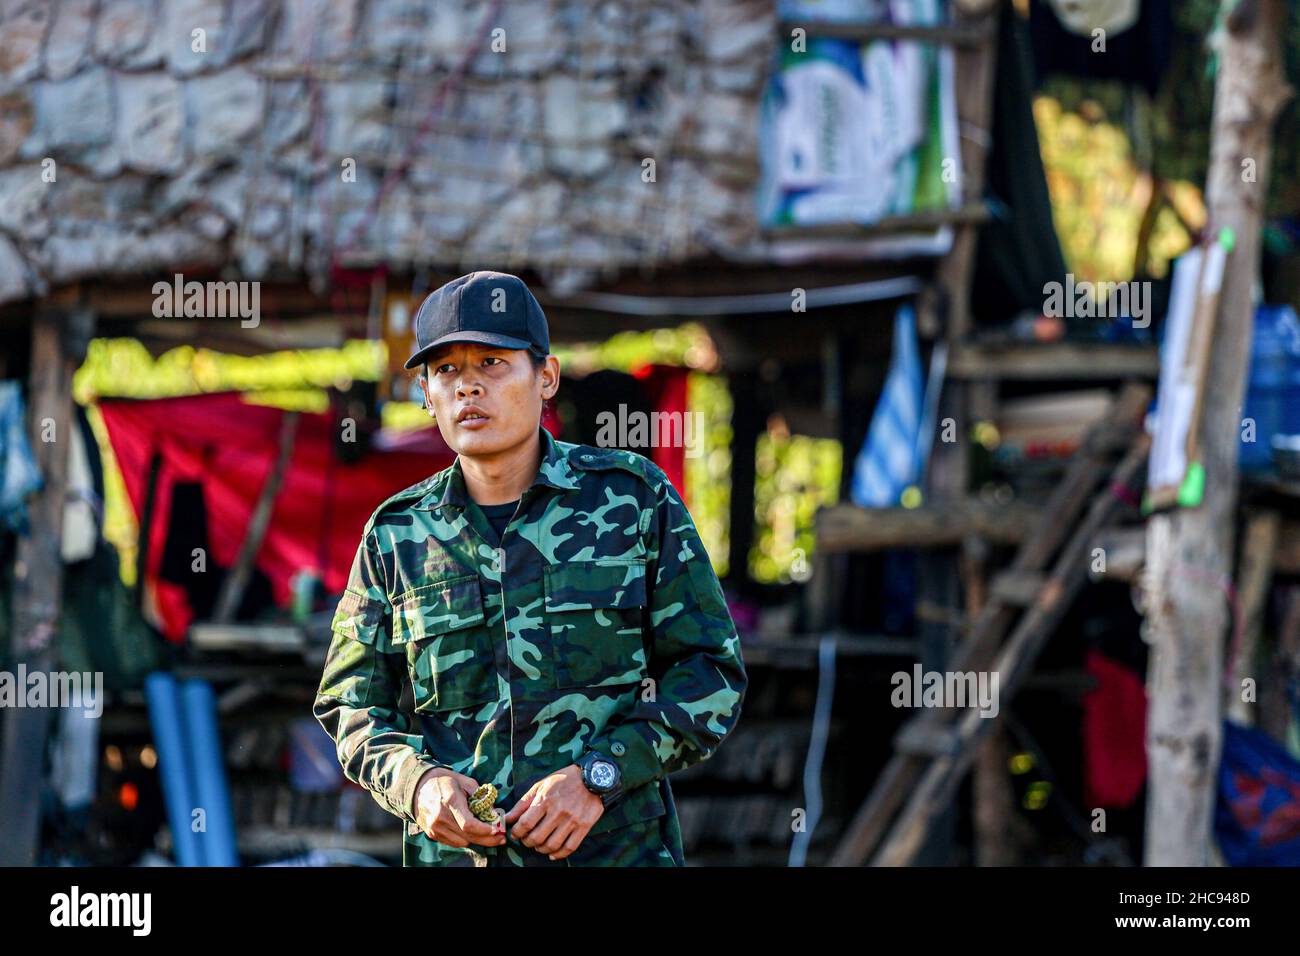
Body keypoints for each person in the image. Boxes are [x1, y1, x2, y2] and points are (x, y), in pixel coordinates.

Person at [314, 271, 747, 866]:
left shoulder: (632, 500)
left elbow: (710, 672)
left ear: (546, 377)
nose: (468, 387)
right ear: (425, 395)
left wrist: (600, 775)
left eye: (492, 363)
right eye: (445, 371)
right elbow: (351, 704)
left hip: (615, 853)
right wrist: (418, 783)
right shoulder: (398, 535)